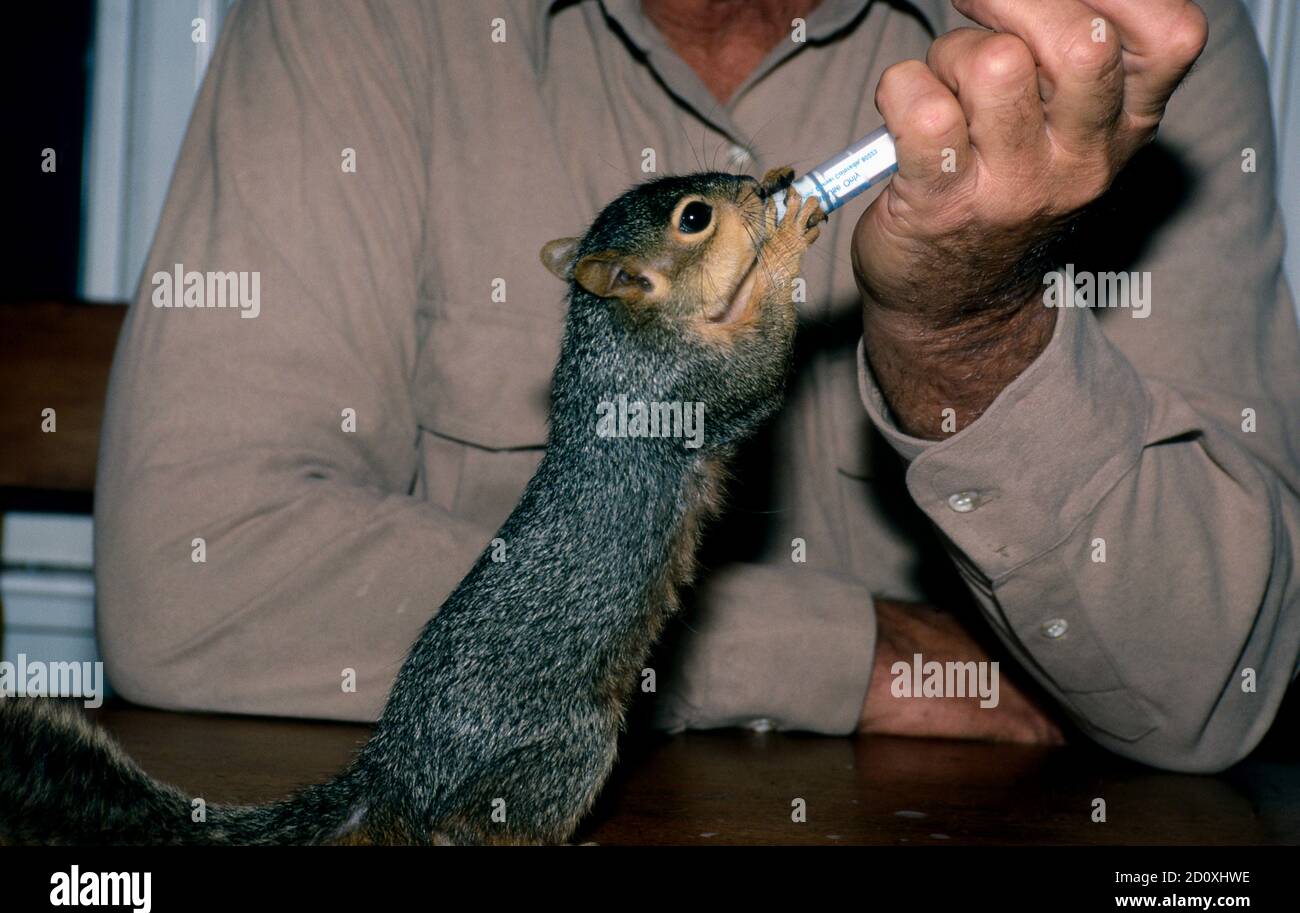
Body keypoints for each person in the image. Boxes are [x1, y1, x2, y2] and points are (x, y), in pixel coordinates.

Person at [95, 0, 1299, 772]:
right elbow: (195, 579)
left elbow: (1205, 686)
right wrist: (858, 655)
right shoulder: (359, 24)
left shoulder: (1115, 36)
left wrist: (969, 328)